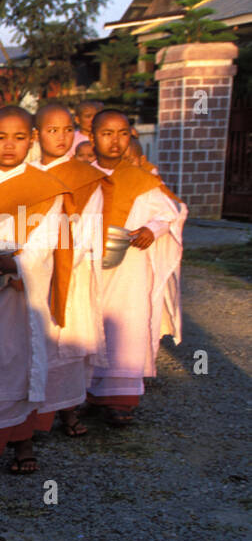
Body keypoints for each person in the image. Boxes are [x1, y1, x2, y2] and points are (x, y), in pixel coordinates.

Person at [0, 106, 68, 475]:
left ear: (32, 140)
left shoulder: (44, 185)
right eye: (0, 137)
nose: (9, 146)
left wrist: (17, 264)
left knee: (18, 362)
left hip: (21, 292)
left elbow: (48, 238)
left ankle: (22, 443)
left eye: (19, 138)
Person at [85, 110, 186, 426]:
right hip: (87, 266)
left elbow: (173, 213)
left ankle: (122, 399)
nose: (115, 141)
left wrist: (151, 230)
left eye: (122, 133)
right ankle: (82, 394)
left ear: (131, 137)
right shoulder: (79, 177)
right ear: (92, 137)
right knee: (87, 324)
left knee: (127, 327)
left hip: (131, 267)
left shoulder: (143, 180)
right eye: (106, 133)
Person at [30, 103, 108, 439]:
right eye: (52, 130)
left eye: (67, 129)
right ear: (37, 134)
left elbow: (89, 228)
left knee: (67, 344)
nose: (61, 137)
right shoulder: (25, 173)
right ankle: (29, 420)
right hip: (31, 270)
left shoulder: (86, 176)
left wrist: (60, 264)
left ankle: (68, 409)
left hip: (70, 271)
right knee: (35, 343)